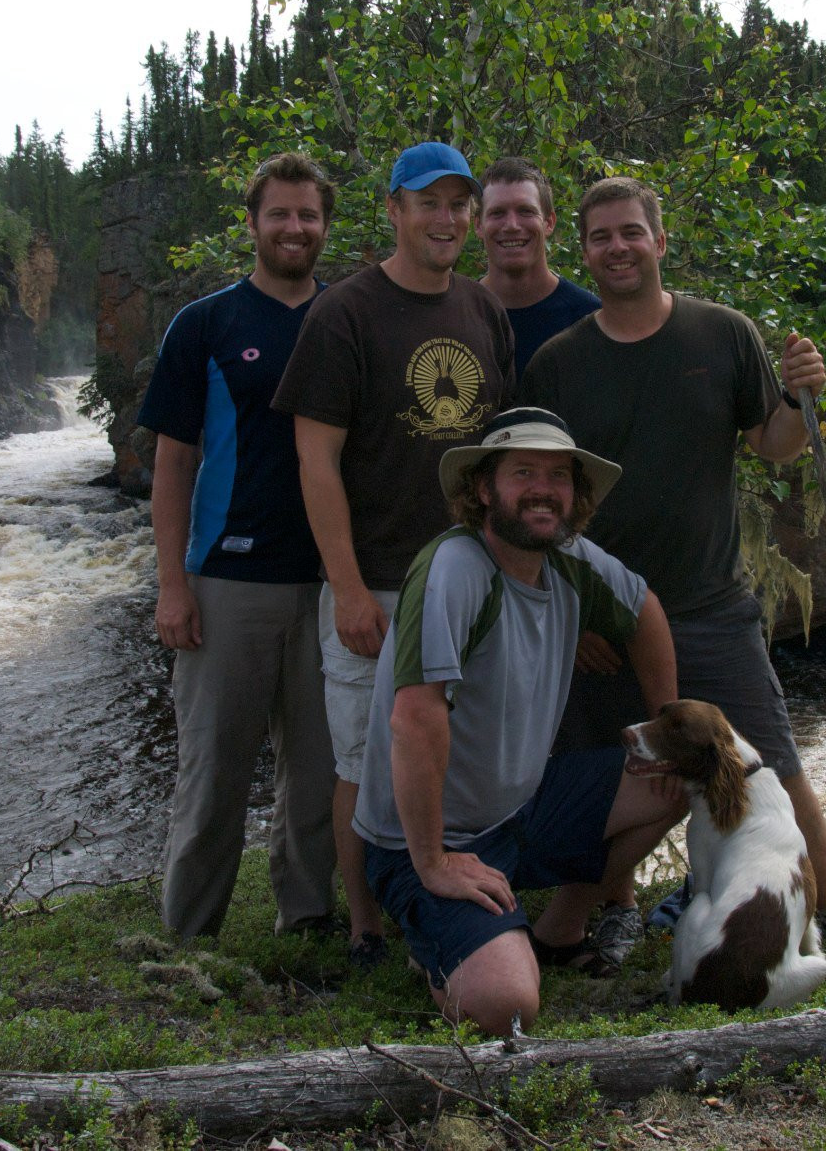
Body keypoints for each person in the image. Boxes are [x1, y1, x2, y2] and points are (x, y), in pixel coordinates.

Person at [518, 175, 826, 968]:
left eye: (632, 232)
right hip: (602, 614)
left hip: (710, 602)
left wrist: (805, 398)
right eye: (601, 236)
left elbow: (773, 441)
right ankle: (616, 910)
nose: (618, 247)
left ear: (660, 241)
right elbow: (542, 496)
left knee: (770, 758)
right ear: (582, 249)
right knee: (611, 773)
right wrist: (576, 612)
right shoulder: (560, 363)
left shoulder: (723, 333)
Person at [353, 408, 684, 1034]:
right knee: (507, 1005)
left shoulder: (570, 560)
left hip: (524, 811)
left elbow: (645, 613)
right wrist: (432, 861)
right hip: (424, 841)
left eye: (560, 476)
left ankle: (560, 928)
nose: (543, 488)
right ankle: (440, 947)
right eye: (523, 472)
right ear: (484, 490)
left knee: (684, 774)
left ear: (575, 494)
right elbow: (414, 720)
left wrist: (664, 729)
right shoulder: (454, 567)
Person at [273, 141, 516, 967]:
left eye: (459, 204)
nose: (446, 219)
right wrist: (346, 589)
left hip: (464, 583)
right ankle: (367, 926)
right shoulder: (344, 313)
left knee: (445, 756)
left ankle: (438, 901)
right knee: (360, 762)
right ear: (394, 211)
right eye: (428, 203)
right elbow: (316, 459)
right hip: (374, 580)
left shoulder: (482, 312)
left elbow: (496, 453)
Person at [139, 151, 339, 939]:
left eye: (309, 215)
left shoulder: (345, 319)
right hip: (226, 577)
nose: (295, 228)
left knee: (319, 774)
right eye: (280, 214)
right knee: (213, 773)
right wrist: (172, 584)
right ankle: (190, 936)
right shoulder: (206, 324)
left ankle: (309, 917)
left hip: (328, 582)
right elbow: (173, 461)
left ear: (326, 225)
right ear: (252, 223)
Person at [477, 158, 601, 377]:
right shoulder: (459, 315)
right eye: (497, 213)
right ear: (478, 225)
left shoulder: (590, 319)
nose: (512, 225)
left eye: (526, 211)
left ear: (549, 222)